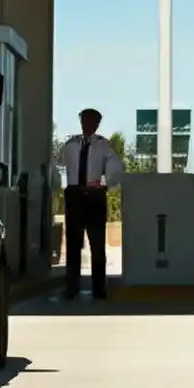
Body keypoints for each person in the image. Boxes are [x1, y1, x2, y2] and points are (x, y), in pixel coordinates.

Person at [56, 108, 124, 300]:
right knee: (73, 243)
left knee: (97, 244)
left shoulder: (104, 146)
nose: (87, 124)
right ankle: (71, 286)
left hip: (94, 195)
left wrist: (105, 182)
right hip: (75, 194)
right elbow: (59, 164)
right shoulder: (70, 145)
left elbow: (116, 167)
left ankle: (99, 287)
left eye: (92, 121)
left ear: (97, 124)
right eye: (85, 120)